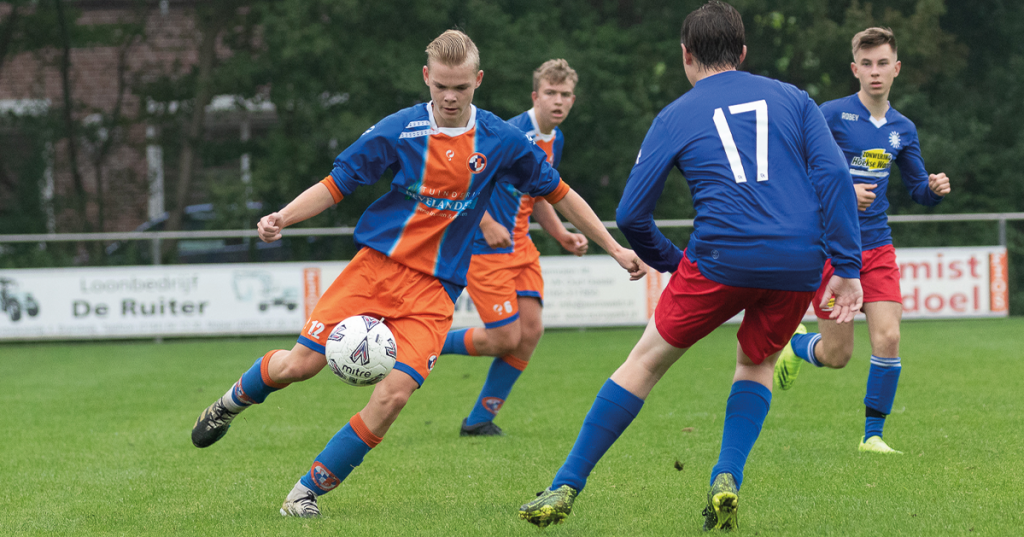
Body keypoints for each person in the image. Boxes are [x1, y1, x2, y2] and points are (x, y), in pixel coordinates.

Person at [189, 29, 646, 518]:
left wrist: (614, 247)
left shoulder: (502, 139)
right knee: (299, 366)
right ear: (427, 77)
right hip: (375, 272)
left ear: (478, 81)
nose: (450, 97)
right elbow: (336, 184)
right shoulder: (399, 129)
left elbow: (562, 194)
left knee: (393, 396)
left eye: (461, 88)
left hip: (436, 291)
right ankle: (229, 403)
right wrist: (283, 215)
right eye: (441, 86)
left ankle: (305, 492)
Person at [517, 1, 864, 531]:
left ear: (686, 56)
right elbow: (837, 178)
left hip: (721, 258)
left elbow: (633, 213)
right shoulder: (794, 99)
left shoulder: (676, 114)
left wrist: (674, 263)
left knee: (645, 362)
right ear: (743, 53)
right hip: (798, 260)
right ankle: (727, 475)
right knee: (756, 364)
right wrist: (846, 264)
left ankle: (566, 483)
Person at [773, 27, 951, 455]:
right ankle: (797, 345)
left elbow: (917, 190)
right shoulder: (829, 115)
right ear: (855, 69)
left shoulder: (902, 129)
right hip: (832, 249)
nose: (875, 72)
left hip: (877, 247)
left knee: (888, 338)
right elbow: (793, 172)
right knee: (837, 356)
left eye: (883, 63)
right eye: (866, 64)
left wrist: (933, 187)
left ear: (896, 69)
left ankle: (872, 436)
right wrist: (842, 188)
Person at [441, 59, 589, 437]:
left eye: (565, 94)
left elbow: (539, 194)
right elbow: (462, 183)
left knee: (532, 331)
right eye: (551, 94)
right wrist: (488, 222)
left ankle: (479, 420)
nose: (558, 101)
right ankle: (429, 341)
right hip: (484, 249)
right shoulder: (508, 134)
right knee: (504, 338)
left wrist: (562, 235)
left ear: (573, 100)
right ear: (535, 96)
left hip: (520, 247)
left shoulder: (556, 140)